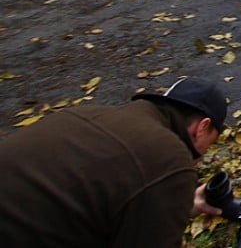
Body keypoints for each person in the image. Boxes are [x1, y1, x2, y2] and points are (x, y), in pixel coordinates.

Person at [0, 76, 228, 247]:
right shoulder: (168, 158)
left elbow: (93, 194)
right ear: (203, 127)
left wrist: (182, 205)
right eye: (212, 142)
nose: (205, 153)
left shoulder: (88, 114)